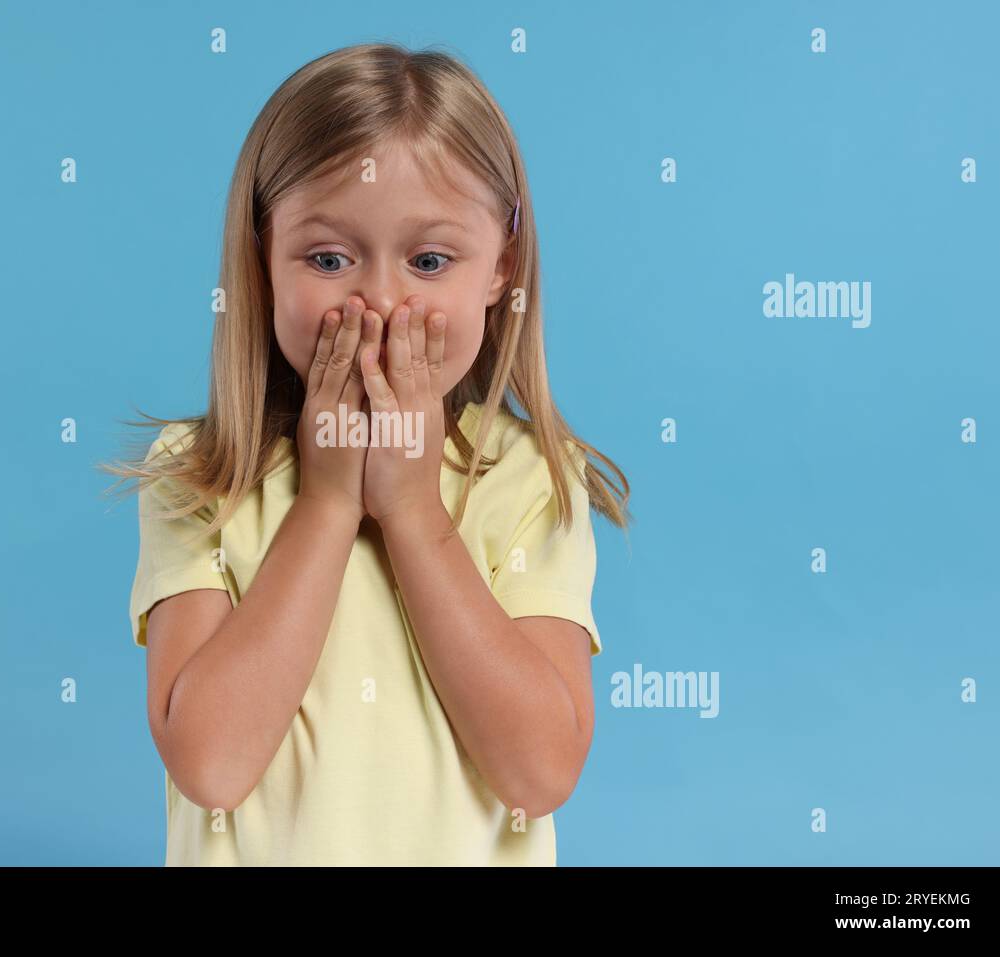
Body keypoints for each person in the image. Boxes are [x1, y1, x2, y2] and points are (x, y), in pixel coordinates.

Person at [104, 42, 631, 865]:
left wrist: (415, 512)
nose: (382, 300)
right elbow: (210, 763)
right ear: (261, 262)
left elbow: (540, 771)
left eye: (428, 260)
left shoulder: (529, 481)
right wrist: (325, 502)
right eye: (328, 258)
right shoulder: (199, 474)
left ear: (502, 267)